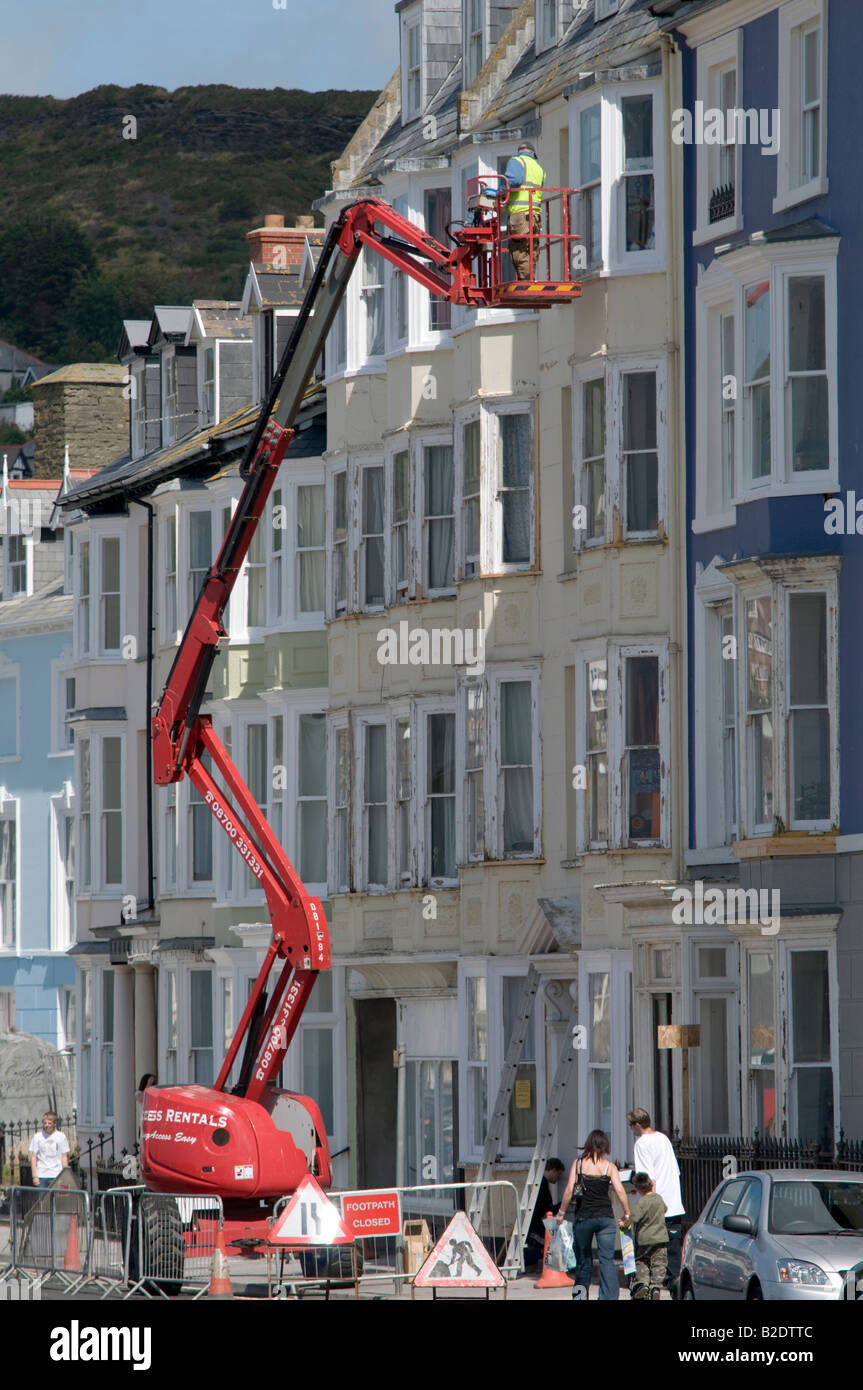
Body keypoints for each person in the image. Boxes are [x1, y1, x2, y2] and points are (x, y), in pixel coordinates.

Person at [557, 1130, 631, 1301]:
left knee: (583, 1260)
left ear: (588, 1144)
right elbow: (620, 1190)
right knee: (607, 1260)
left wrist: (561, 1212)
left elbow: (569, 1190)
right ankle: (608, 1297)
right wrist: (627, 1213)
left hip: (584, 1218)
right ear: (605, 1146)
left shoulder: (578, 1165)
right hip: (605, 1219)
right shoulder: (609, 1167)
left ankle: (580, 1297)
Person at [627, 1108, 685, 1297]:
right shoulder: (663, 1138)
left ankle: (649, 1289)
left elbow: (648, 1180)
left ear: (637, 1125)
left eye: (631, 1125)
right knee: (673, 1261)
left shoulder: (641, 1143)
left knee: (646, 1258)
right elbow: (675, 1171)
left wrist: (638, 1192)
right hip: (674, 1206)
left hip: (654, 1212)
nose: (631, 1129)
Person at [504, 140, 546, 280]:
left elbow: (513, 181)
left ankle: (526, 281)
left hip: (519, 215)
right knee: (531, 249)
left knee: (519, 251)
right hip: (535, 215)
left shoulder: (517, 161)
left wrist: (498, 191)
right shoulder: (539, 168)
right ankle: (530, 279)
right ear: (533, 153)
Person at [625, 1172, 668, 1300]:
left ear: (638, 1189)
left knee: (641, 1261)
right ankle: (656, 1287)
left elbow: (634, 1217)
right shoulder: (658, 1198)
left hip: (644, 1239)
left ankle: (643, 1284)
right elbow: (665, 1209)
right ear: (651, 1184)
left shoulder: (642, 1202)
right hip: (660, 1238)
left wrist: (624, 1223)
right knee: (659, 1263)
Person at [525, 1157, 565, 1268]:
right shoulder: (542, 1185)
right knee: (548, 1249)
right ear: (553, 1170)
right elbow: (546, 1210)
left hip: (534, 1225)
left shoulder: (541, 1183)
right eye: (559, 1174)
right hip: (536, 1228)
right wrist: (563, 1204)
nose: (558, 1178)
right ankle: (525, 1259)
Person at [29, 1112, 70, 1188]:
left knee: (56, 1195)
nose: (47, 1125)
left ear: (54, 1124)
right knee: (42, 1195)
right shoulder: (37, 1137)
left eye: (49, 1123)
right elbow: (33, 1157)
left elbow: (64, 1157)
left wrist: (65, 1175)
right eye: (45, 1123)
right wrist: (34, 1176)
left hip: (56, 1174)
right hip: (41, 1175)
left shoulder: (61, 1136)